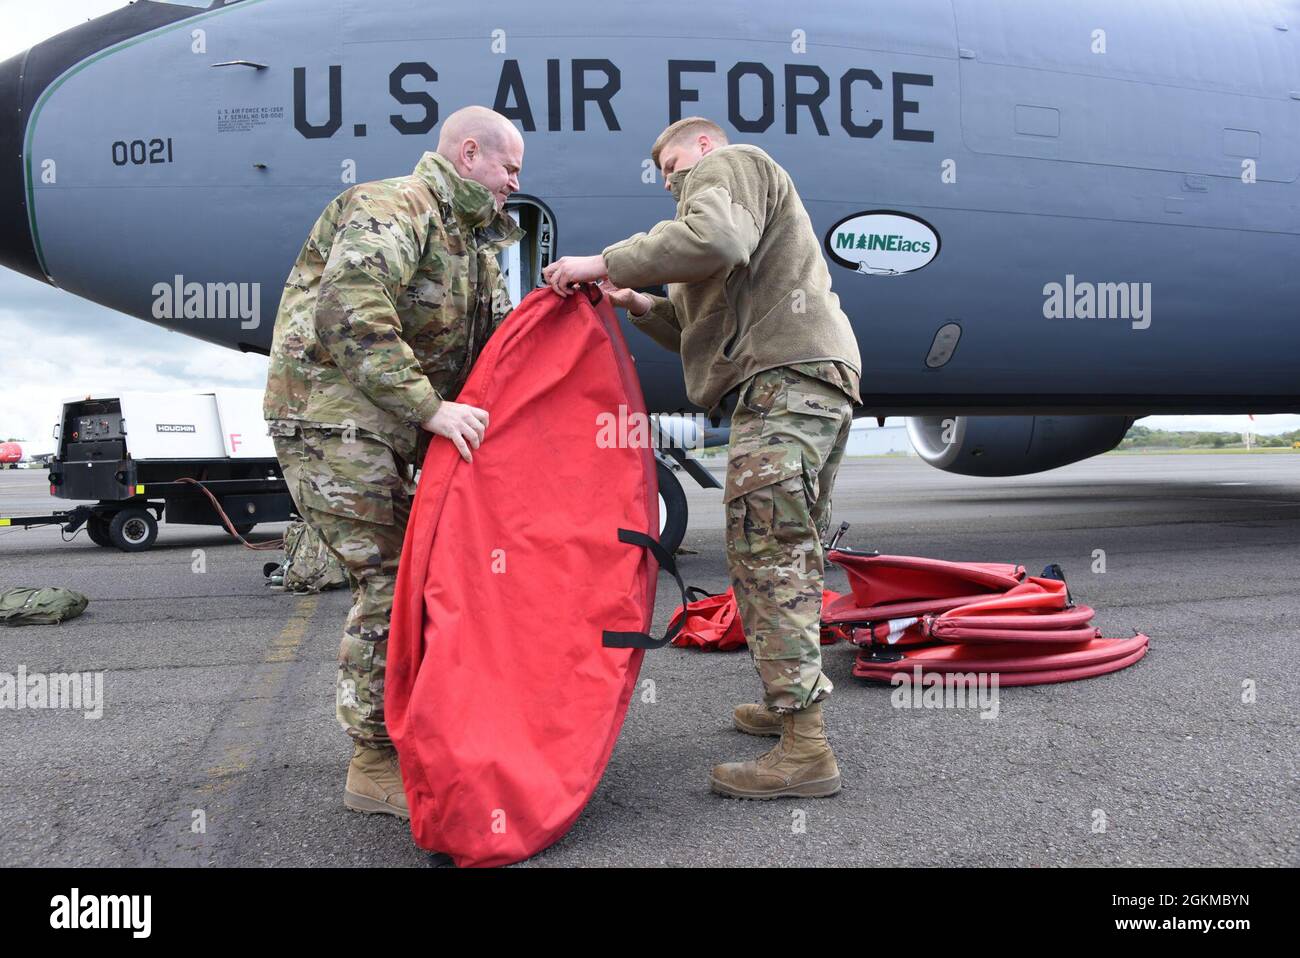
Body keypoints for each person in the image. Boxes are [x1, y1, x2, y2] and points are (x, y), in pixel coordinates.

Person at [543, 117, 862, 800]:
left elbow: (715, 237)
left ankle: (806, 749)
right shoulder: (728, 217)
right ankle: (788, 709)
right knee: (790, 551)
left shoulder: (730, 165)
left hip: (784, 386)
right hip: (798, 383)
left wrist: (602, 263)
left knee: (766, 558)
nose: (669, 179)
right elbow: (701, 329)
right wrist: (635, 302)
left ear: (705, 144)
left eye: (672, 161)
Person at [263, 106, 525, 818]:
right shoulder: (395, 205)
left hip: (383, 427)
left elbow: (497, 346)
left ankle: (410, 734)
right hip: (332, 420)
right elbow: (348, 307)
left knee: (422, 572)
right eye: (509, 169)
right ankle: (373, 760)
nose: (513, 185)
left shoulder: (472, 244)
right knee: (390, 577)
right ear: (469, 153)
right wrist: (430, 408)